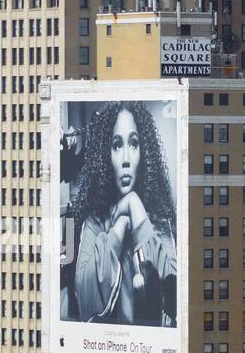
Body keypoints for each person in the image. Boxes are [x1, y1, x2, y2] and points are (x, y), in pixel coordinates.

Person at [71, 102, 177, 327]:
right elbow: (85, 302)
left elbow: (174, 297)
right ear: (105, 156)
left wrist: (135, 207)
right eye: (117, 145)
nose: (126, 158)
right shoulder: (94, 223)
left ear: (144, 152)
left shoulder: (159, 221)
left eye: (134, 143)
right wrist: (119, 227)